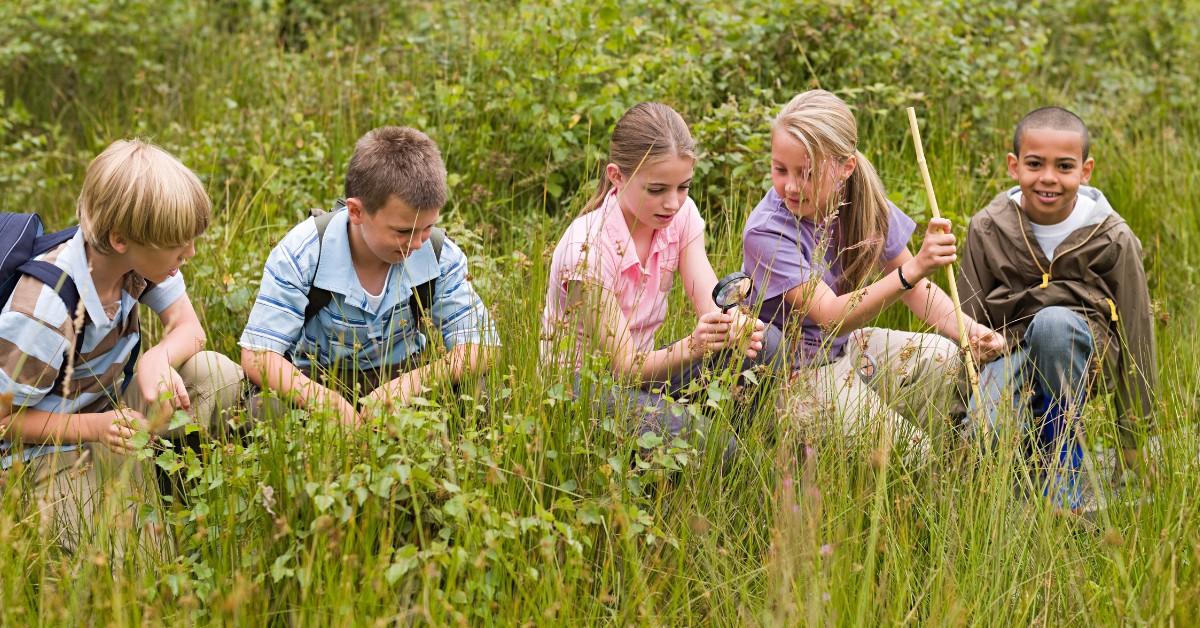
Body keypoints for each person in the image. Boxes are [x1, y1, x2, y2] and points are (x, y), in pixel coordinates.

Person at [0, 139, 243, 556]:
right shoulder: (43, 310)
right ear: (120, 240)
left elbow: (188, 327)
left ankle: (164, 479)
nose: (191, 253)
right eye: (177, 244)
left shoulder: (141, 265)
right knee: (142, 565)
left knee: (215, 376)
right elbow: (4, 422)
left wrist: (157, 359)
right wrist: (95, 429)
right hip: (38, 452)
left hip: (108, 415)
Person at [742, 90, 1005, 462]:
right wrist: (913, 270)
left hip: (845, 350)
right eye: (779, 169)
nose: (790, 186)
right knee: (909, 453)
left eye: (807, 173)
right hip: (790, 373)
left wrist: (966, 329)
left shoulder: (863, 202)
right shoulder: (766, 232)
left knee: (947, 360)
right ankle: (909, 458)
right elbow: (831, 315)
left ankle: (952, 457)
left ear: (845, 168)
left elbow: (918, 291)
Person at [957, 106, 1156, 508]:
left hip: (1084, 353)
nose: (1048, 178)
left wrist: (1135, 437)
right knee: (982, 432)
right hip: (1009, 352)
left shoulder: (1112, 235)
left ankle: (1063, 465)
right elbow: (963, 318)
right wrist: (961, 409)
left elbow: (1137, 328)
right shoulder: (988, 227)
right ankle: (1027, 452)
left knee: (1051, 325)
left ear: (1085, 171)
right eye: (1034, 164)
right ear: (1014, 166)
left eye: (1064, 166)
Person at [541, 102, 767, 442]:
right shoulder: (585, 250)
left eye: (683, 187)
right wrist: (694, 345)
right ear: (616, 176)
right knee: (703, 439)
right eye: (657, 190)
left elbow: (709, 297)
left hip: (647, 372)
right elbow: (624, 368)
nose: (673, 203)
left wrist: (733, 323)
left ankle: (734, 438)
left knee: (767, 346)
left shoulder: (680, 215)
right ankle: (715, 446)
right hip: (581, 388)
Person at [240, 126, 498, 423]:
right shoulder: (304, 252)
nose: (416, 244)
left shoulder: (439, 253)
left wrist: (412, 384)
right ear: (356, 212)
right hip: (316, 383)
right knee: (260, 412)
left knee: (475, 390)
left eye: (427, 228)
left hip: (404, 378)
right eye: (403, 231)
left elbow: (483, 346)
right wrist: (330, 405)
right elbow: (259, 354)